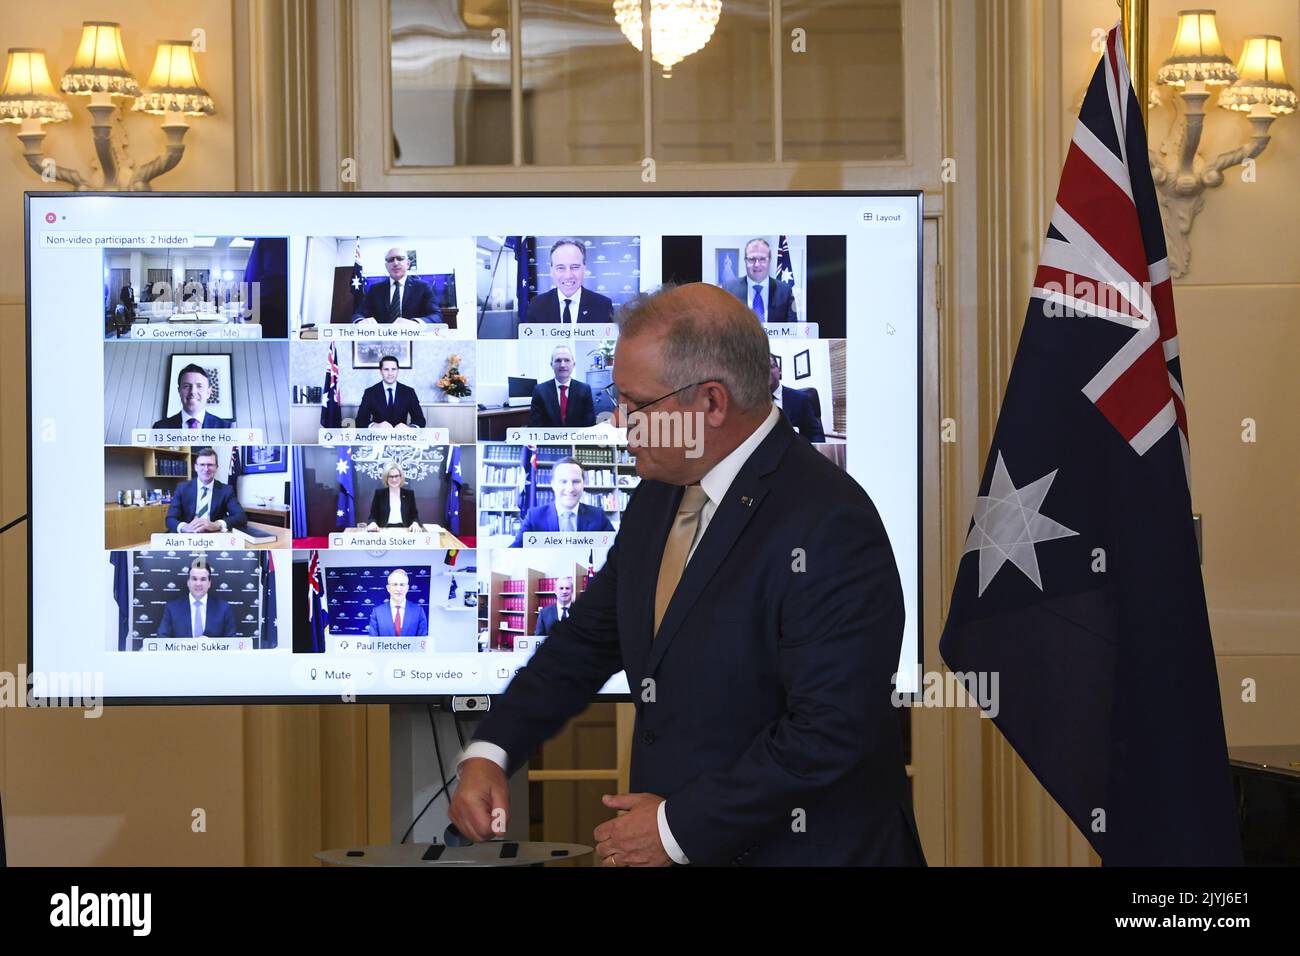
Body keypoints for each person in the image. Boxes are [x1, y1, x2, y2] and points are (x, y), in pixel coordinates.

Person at [451, 283, 922, 867]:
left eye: (636, 404)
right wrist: (492, 748)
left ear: (712, 404)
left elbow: (830, 731)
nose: (618, 423)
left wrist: (675, 829)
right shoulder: (660, 494)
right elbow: (586, 641)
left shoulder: (829, 520)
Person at [511, 458, 614, 547]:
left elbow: (617, 551)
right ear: (553, 484)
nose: (570, 488)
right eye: (563, 481)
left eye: (576, 481)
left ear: (584, 484)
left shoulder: (598, 516)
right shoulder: (534, 517)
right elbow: (514, 553)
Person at [525, 239, 614, 325]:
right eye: (561, 268)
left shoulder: (603, 306)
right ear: (551, 271)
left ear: (584, 269)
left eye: (575, 267)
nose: (568, 275)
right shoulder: (537, 305)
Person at [165, 447, 248, 532]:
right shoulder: (182, 488)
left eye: (210, 465)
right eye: (202, 464)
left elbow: (241, 516)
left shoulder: (226, 490)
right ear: (196, 467)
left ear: (216, 467)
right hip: (188, 535)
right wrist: (185, 527)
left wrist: (217, 524)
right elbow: (170, 518)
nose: (206, 469)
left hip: (214, 534)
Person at [353, 247, 439, 324]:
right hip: (383, 336)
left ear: (408, 264)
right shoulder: (375, 289)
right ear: (386, 266)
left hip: (412, 335)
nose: (395, 263)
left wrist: (416, 323)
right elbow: (358, 314)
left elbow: (437, 316)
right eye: (390, 260)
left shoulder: (422, 287)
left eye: (400, 259)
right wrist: (361, 321)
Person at [723, 238, 797, 323]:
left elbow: (792, 327)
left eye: (762, 259)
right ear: (745, 261)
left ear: (769, 260)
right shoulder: (729, 290)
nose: (757, 264)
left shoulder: (785, 291)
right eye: (752, 259)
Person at [157, 560, 237, 638]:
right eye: (194, 579)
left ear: (209, 583)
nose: (198, 584)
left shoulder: (223, 608)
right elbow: (161, 639)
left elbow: (232, 642)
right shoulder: (172, 608)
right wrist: (188, 645)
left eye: (203, 579)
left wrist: (212, 644)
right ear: (188, 582)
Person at [528, 345, 595, 428]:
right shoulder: (540, 390)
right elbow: (535, 425)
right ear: (551, 365)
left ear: (573, 364)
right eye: (558, 360)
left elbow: (590, 424)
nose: (562, 365)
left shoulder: (584, 389)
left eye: (567, 360)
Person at [354, 355, 427, 429]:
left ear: (398, 371)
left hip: (402, 435)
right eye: (386, 369)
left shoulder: (409, 392)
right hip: (378, 435)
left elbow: (420, 420)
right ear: (380, 371)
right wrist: (375, 426)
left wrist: (409, 428)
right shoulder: (370, 392)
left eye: (393, 369)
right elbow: (360, 420)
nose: (390, 373)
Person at [153, 364, 232, 430]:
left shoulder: (226, 428)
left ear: (208, 392)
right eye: (186, 386)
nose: (193, 392)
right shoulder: (160, 428)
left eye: (199, 386)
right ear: (179, 391)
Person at [769, 354, 825, 441]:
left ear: (779, 370)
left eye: (770, 367)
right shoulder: (753, 403)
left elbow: (816, 435)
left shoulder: (800, 399)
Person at [366, 569, 429, 637]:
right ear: (388, 588)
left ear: (407, 588)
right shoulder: (377, 612)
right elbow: (373, 641)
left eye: (402, 585)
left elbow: (422, 641)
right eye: (395, 584)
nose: (398, 589)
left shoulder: (418, 611)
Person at [366, 462, 423, 531]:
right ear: (386, 478)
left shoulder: (409, 494)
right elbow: (373, 516)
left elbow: (414, 515)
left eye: (396, 476)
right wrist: (372, 523)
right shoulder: (379, 494)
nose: (394, 479)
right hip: (384, 530)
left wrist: (415, 523)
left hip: (405, 530)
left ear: (401, 477)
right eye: (391, 476)